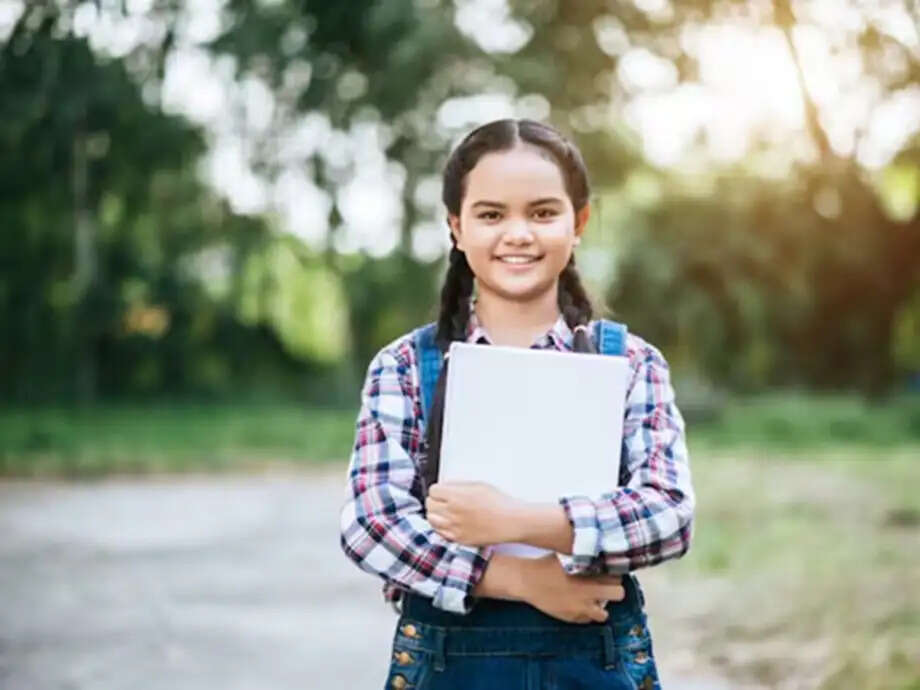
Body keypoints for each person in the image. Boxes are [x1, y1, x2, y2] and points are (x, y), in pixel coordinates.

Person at [339, 118, 695, 689]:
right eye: (491, 214)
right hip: (448, 660)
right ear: (456, 228)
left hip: (593, 659)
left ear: (578, 223)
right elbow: (373, 525)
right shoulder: (405, 367)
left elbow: (668, 515)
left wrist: (516, 520)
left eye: (542, 212)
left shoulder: (630, 363)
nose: (518, 233)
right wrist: (518, 579)